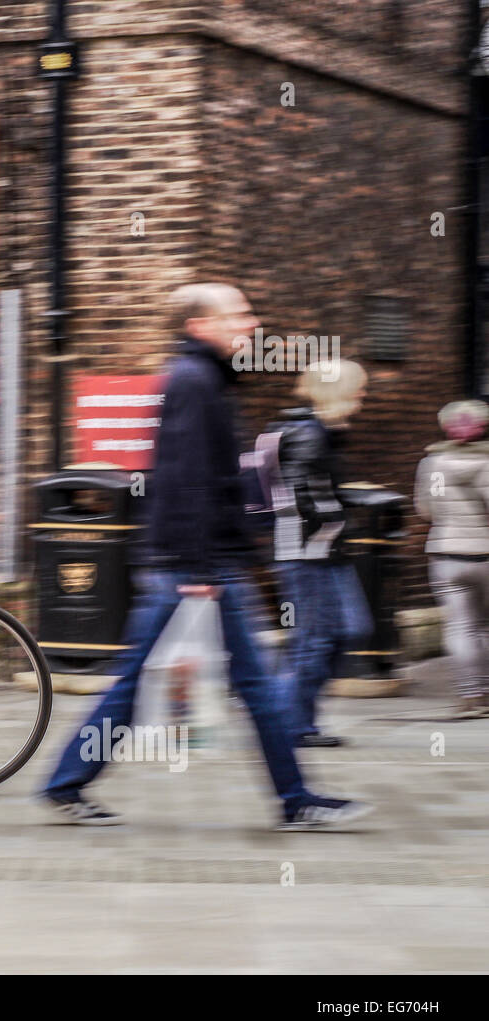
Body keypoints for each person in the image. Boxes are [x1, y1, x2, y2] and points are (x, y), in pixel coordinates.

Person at [42, 283, 373, 831]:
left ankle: (295, 799)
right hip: (193, 564)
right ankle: (294, 800)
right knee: (159, 680)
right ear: (201, 325)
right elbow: (185, 480)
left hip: (202, 561)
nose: (251, 322)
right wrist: (199, 569)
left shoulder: (207, 380)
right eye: (237, 315)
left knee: (243, 684)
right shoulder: (193, 382)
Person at [269, 360, 373, 746]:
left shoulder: (318, 430)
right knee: (314, 639)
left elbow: (317, 489)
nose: (364, 395)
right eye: (359, 388)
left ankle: (289, 716)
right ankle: (291, 725)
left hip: (323, 552)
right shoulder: (308, 433)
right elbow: (301, 500)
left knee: (346, 629)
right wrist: (339, 518)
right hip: (307, 553)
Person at [414, 399, 489, 718]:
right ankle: (485, 692)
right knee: (484, 626)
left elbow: (425, 510)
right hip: (485, 554)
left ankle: (469, 694)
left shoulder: (433, 464)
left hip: (446, 555)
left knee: (460, 627)